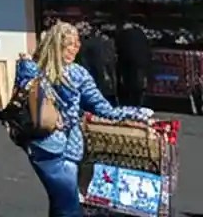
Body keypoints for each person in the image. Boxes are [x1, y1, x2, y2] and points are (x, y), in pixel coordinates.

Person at [16, 22, 151, 217]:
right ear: (58, 45)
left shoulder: (31, 68)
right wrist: (138, 113)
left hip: (40, 144)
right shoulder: (76, 74)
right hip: (63, 148)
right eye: (70, 44)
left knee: (59, 202)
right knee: (69, 207)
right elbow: (104, 109)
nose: (75, 48)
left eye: (77, 43)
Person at [115, 22, 151, 107]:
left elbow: (119, 48)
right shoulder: (140, 33)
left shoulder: (123, 34)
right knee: (138, 83)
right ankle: (138, 102)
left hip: (128, 61)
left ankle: (129, 102)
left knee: (129, 82)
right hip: (141, 61)